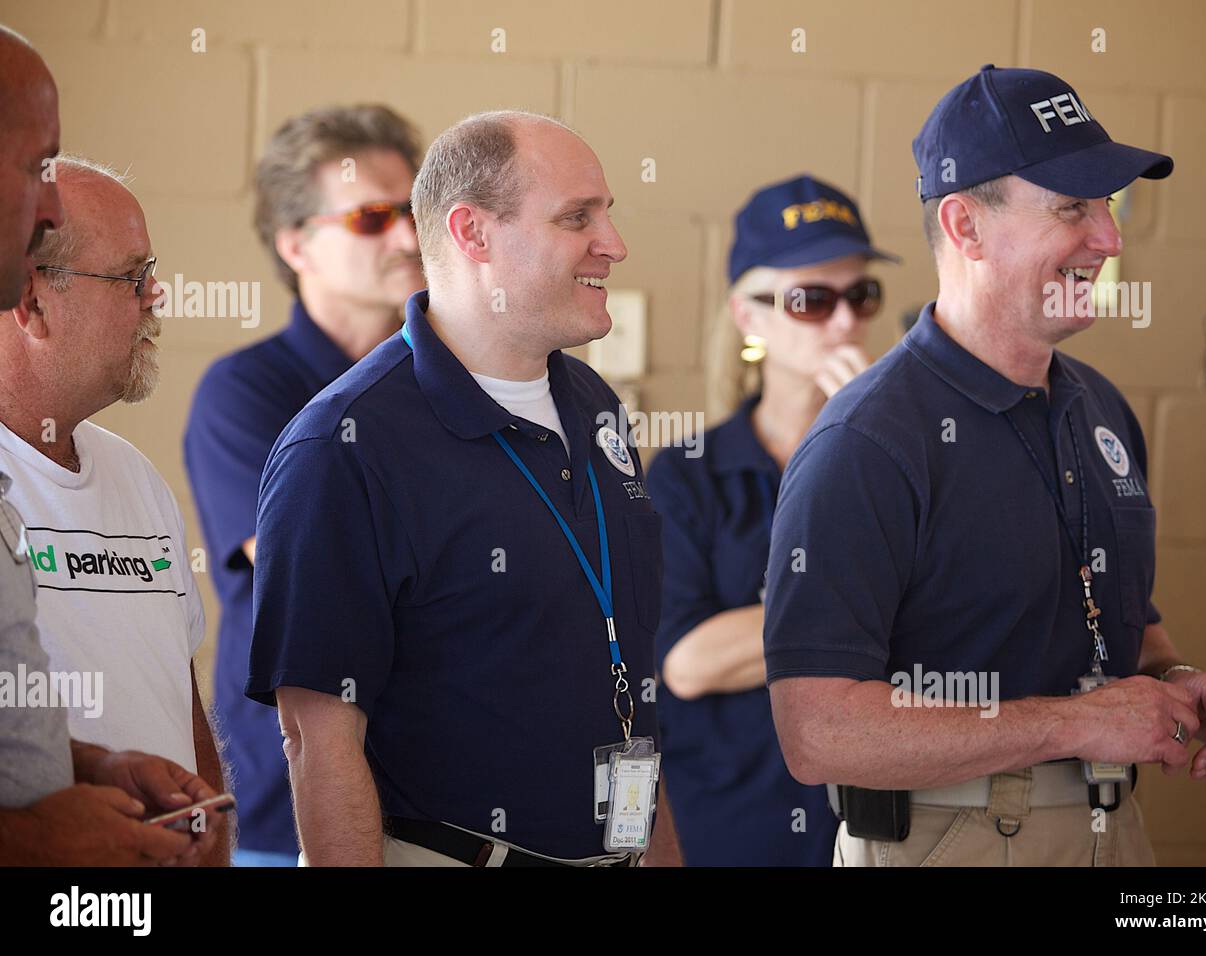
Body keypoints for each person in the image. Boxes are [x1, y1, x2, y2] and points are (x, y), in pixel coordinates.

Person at [764, 64, 1206, 867]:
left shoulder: (1100, 408)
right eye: (1072, 208)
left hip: (1114, 828)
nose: (1110, 238)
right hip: (950, 839)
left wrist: (1176, 674)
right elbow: (819, 734)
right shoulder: (866, 441)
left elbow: (1113, 621)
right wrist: (1072, 725)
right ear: (965, 227)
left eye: (1108, 206)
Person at [247, 110, 680, 866]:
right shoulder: (346, 445)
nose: (613, 245)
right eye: (578, 217)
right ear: (473, 233)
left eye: (608, 213)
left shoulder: (596, 408)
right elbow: (317, 738)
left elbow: (627, 676)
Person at [0, 25, 219, 866]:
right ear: (35, 301)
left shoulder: (135, 478)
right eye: (132, 277)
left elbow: (181, 700)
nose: (154, 297)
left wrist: (203, 822)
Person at [184, 104, 423, 867]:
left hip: (445, 805)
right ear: (297, 245)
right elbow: (315, 569)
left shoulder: (453, 385)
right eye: (373, 218)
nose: (410, 237)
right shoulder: (244, 392)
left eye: (414, 210)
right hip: (287, 811)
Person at [647, 174, 897, 865]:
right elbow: (689, 662)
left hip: (884, 822)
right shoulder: (689, 473)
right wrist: (864, 612)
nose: (846, 321)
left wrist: (869, 446)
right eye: (811, 300)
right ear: (750, 315)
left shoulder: (905, 462)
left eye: (861, 295)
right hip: (733, 821)